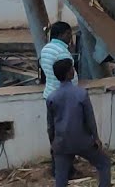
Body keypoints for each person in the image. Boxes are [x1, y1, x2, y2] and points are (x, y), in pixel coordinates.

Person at [46, 58, 110, 187]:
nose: (73, 70)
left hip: (61, 143)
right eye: (72, 68)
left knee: (61, 178)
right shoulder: (81, 94)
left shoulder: (52, 97)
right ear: (69, 73)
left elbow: (50, 125)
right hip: (82, 141)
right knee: (104, 163)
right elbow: (90, 119)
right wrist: (96, 138)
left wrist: (53, 143)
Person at [40, 22, 78, 175]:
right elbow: (69, 75)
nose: (70, 38)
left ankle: (56, 166)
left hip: (49, 94)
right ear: (62, 34)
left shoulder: (46, 49)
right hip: (64, 98)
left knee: (54, 131)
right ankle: (66, 169)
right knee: (67, 134)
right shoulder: (62, 53)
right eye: (69, 35)